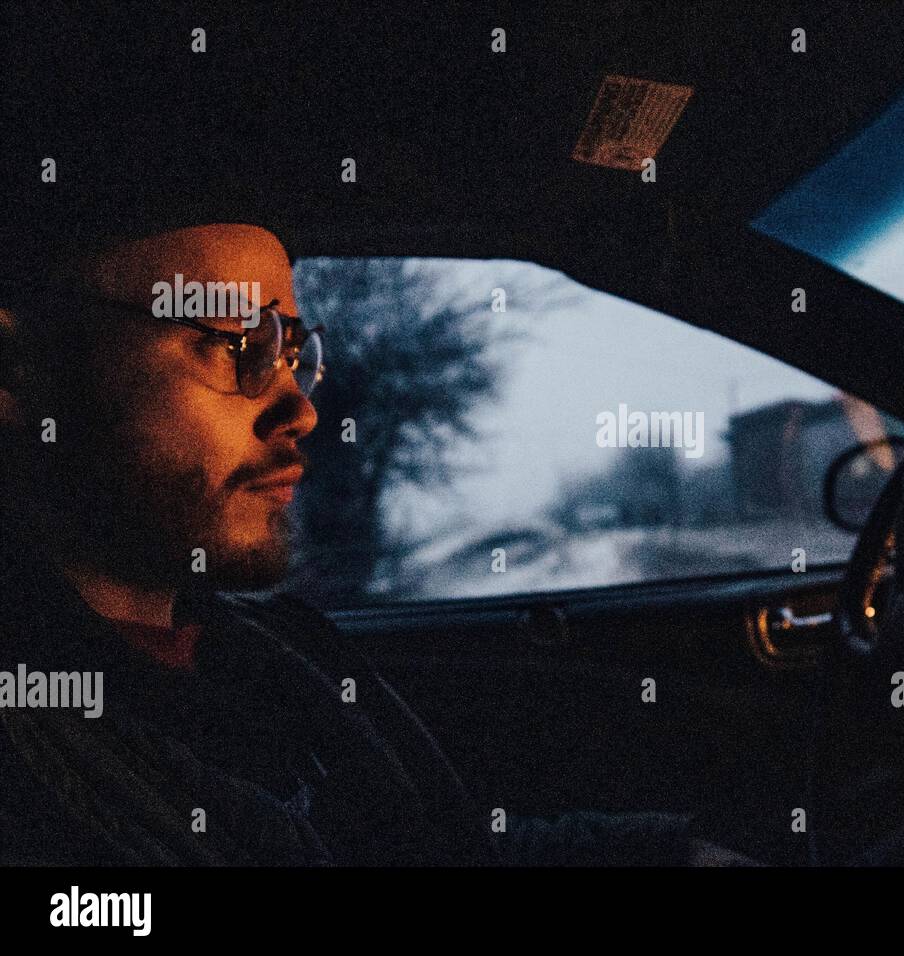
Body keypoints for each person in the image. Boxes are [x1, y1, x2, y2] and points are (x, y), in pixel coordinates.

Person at [0, 221, 751, 865]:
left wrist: (669, 854)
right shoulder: (37, 757)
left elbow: (445, 853)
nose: (301, 409)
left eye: (290, 351)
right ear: (21, 370)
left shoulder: (273, 645)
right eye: (239, 345)